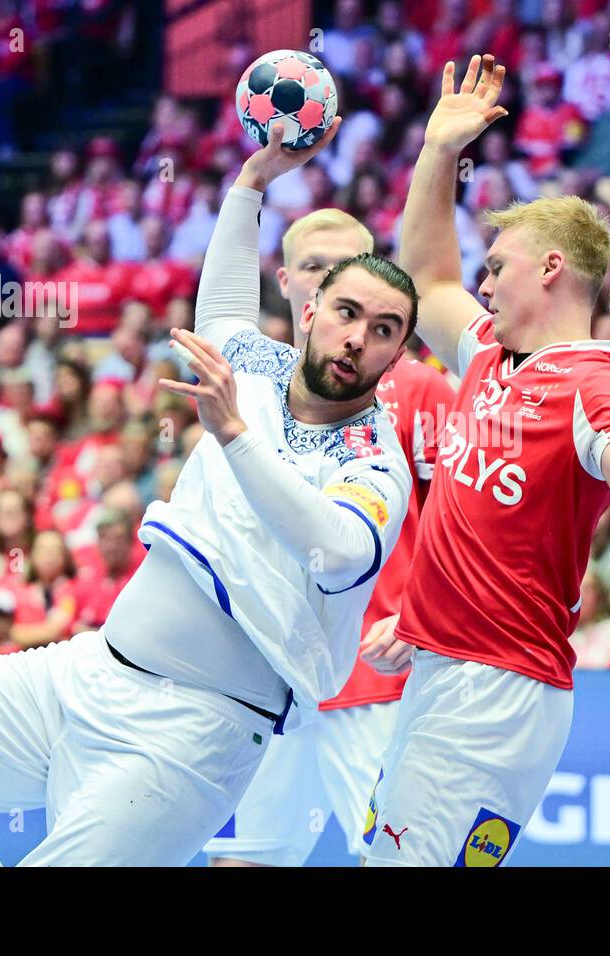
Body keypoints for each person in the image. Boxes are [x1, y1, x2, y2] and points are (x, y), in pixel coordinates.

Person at [0, 123, 419, 866]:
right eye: (346, 314)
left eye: (383, 330)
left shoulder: (374, 458)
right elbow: (221, 309)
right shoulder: (254, 368)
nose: (356, 339)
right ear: (309, 311)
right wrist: (251, 182)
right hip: (88, 673)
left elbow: (339, 554)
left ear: (396, 353)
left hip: (197, 734)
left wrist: (237, 438)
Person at [365, 55, 610, 867]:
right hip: (448, 671)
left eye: (498, 266)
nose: (482, 283)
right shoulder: (485, 355)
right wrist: (439, 153)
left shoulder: (594, 386)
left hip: (494, 689)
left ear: (550, 269)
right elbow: (427, 276)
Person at [205, 207, 455, 868]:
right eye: (321, 268)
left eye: (355, 267)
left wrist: (418, 613)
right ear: (295, 286)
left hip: (374, 678)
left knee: (401, 858)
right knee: (246, 858)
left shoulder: (422, 390)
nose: (340, 282)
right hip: (262, 674)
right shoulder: (252, 380)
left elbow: (464, 520)